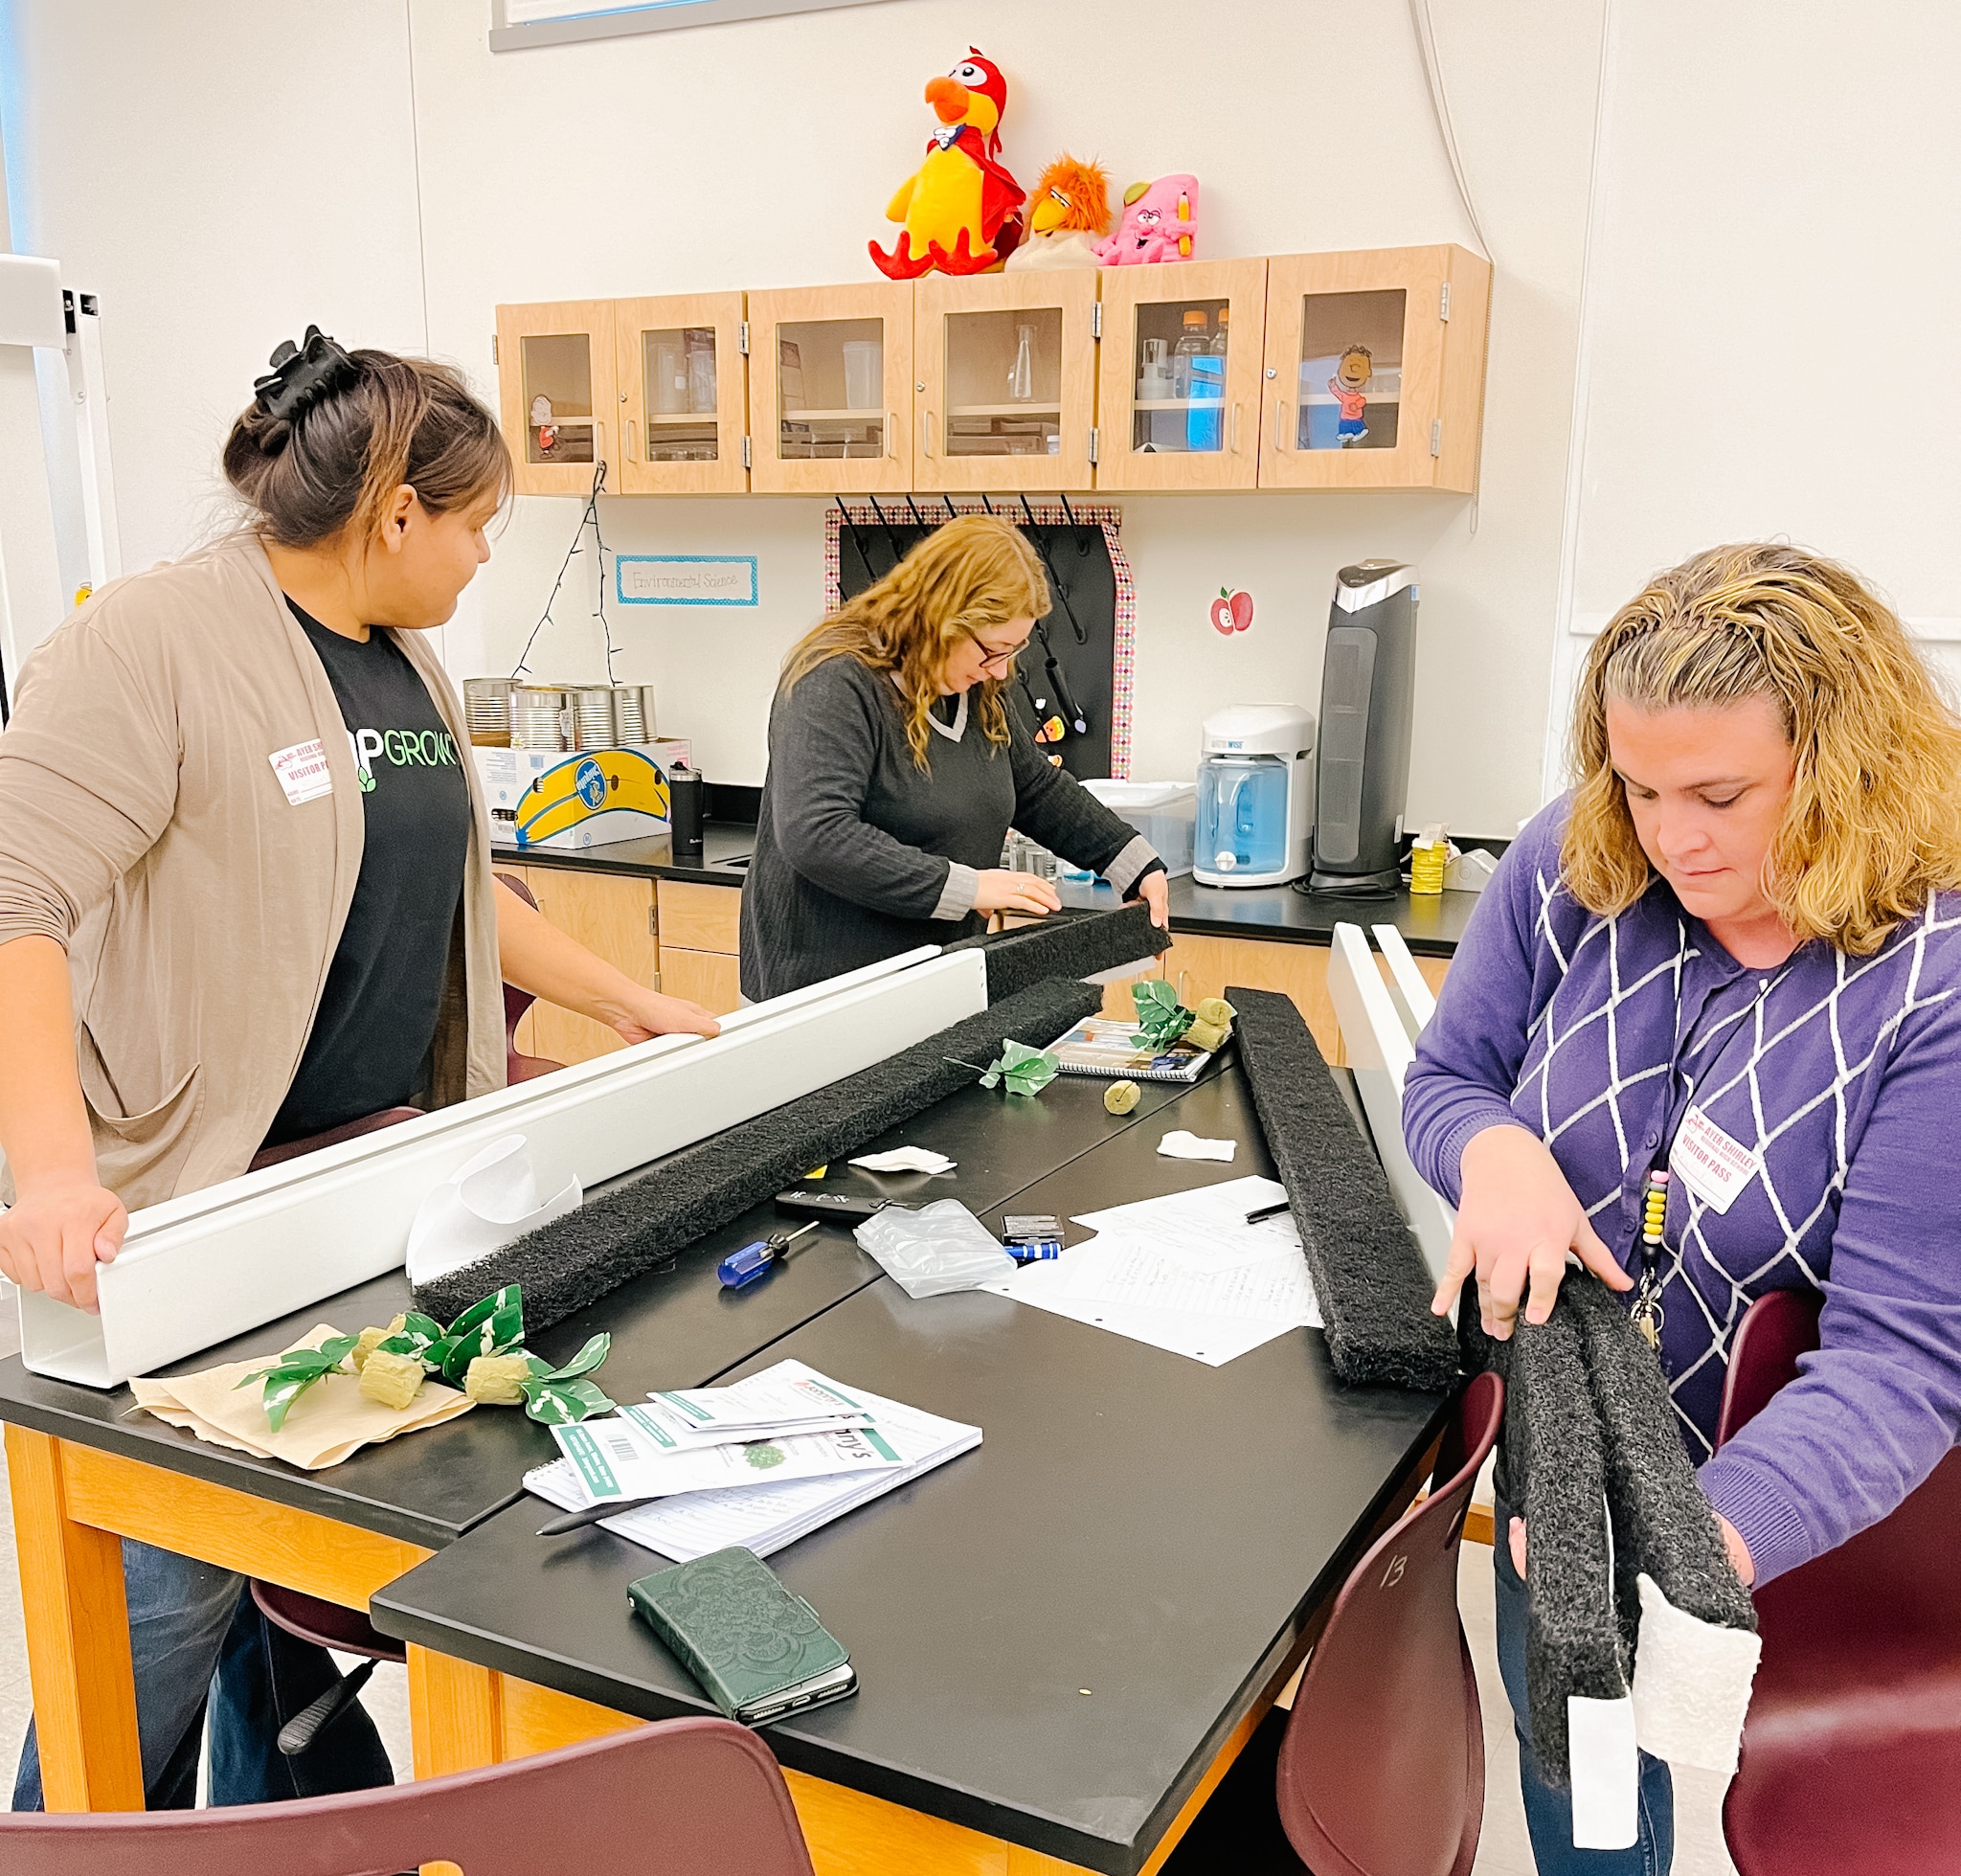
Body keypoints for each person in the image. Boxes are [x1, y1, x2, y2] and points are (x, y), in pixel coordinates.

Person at [0, 328, 718, 1809]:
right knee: (157, 1608)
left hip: (364, 1188)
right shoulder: (150, 642)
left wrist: (630, 998)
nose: (478, 559)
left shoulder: (402, 660)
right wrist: (55, 1173)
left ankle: (282, 1833)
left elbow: (462, 891)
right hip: (190, 1210)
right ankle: (67, 1837)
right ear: (396, 509)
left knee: (286, 1571)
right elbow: (19, 900)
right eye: (474, 526)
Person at [1407, 542, 1961, 1872]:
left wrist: (1693, 1534)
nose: (1673, 836)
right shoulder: (1573, 858)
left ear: (1844, 764)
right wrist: (1493, 1155)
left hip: (1776, 1502)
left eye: (1721, 792)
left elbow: (1900, 1357)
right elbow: (1449, 1074)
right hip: (1561, 1448)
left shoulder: (1930, 983)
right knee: (1591, 1815)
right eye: (1639, 783)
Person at [740, 514, 1169, 1002]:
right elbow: (816, 834)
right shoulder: (835, 682)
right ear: (941, 620)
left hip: (932, 975)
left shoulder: (974, 687)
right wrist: (968, 888)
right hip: (821, 987)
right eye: (992, 650)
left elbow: (1033, 788)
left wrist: (1132, 862)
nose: (1000, 670)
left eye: (1014, 650)